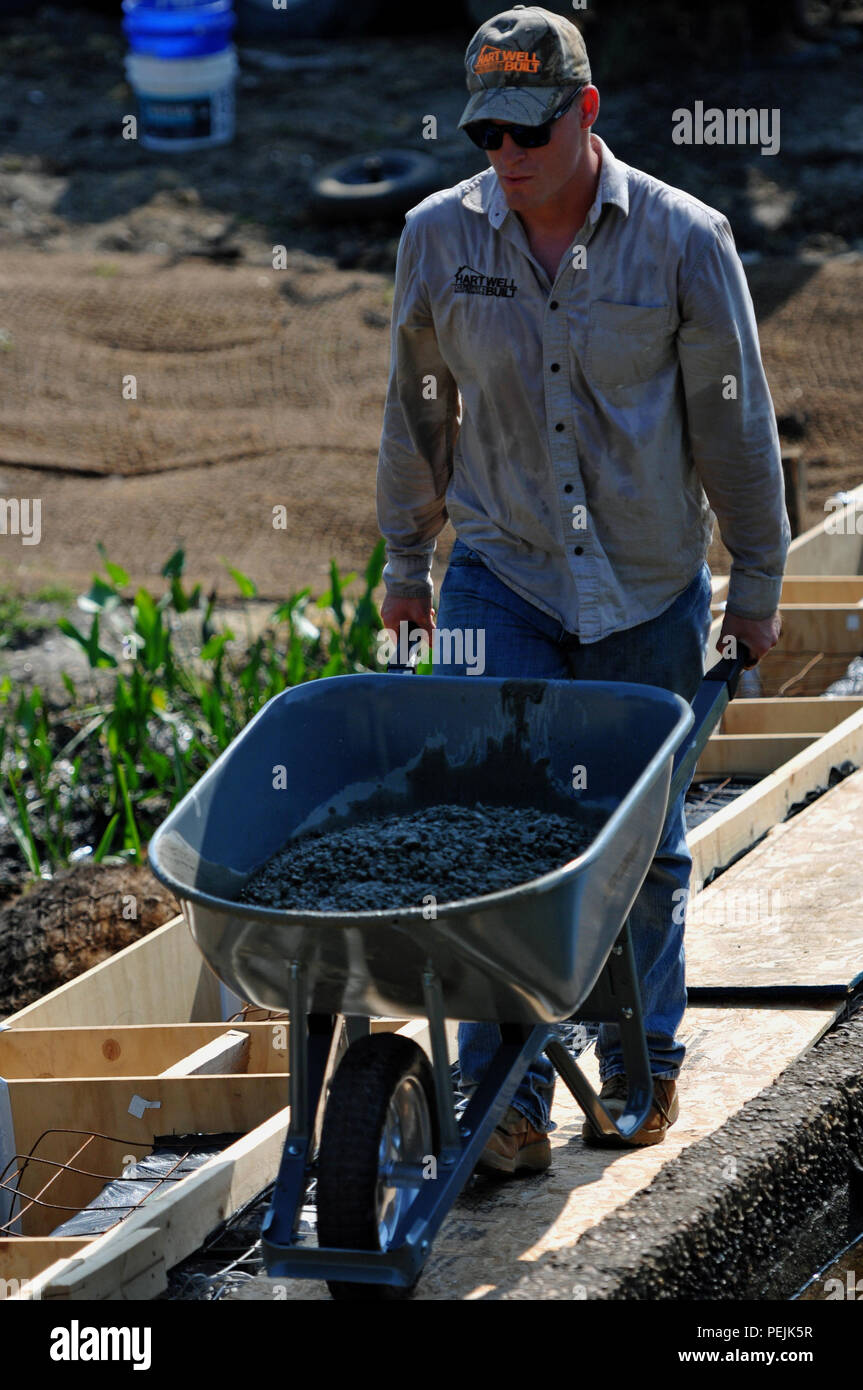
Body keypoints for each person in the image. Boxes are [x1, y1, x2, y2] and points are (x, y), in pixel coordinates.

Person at [376, 5, 789, 1174]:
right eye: (484, 137)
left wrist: (754, 582)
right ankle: (501, 1099)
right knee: (493, 833)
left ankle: (637, 1061)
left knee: (643, 848)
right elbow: (417, 410)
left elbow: (734, 430)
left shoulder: (682, 241)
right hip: (499, 578)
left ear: (585, 112)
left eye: (527, 131)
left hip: (647, 590)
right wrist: (408, 565)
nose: (505, 159)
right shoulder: (435, 241)